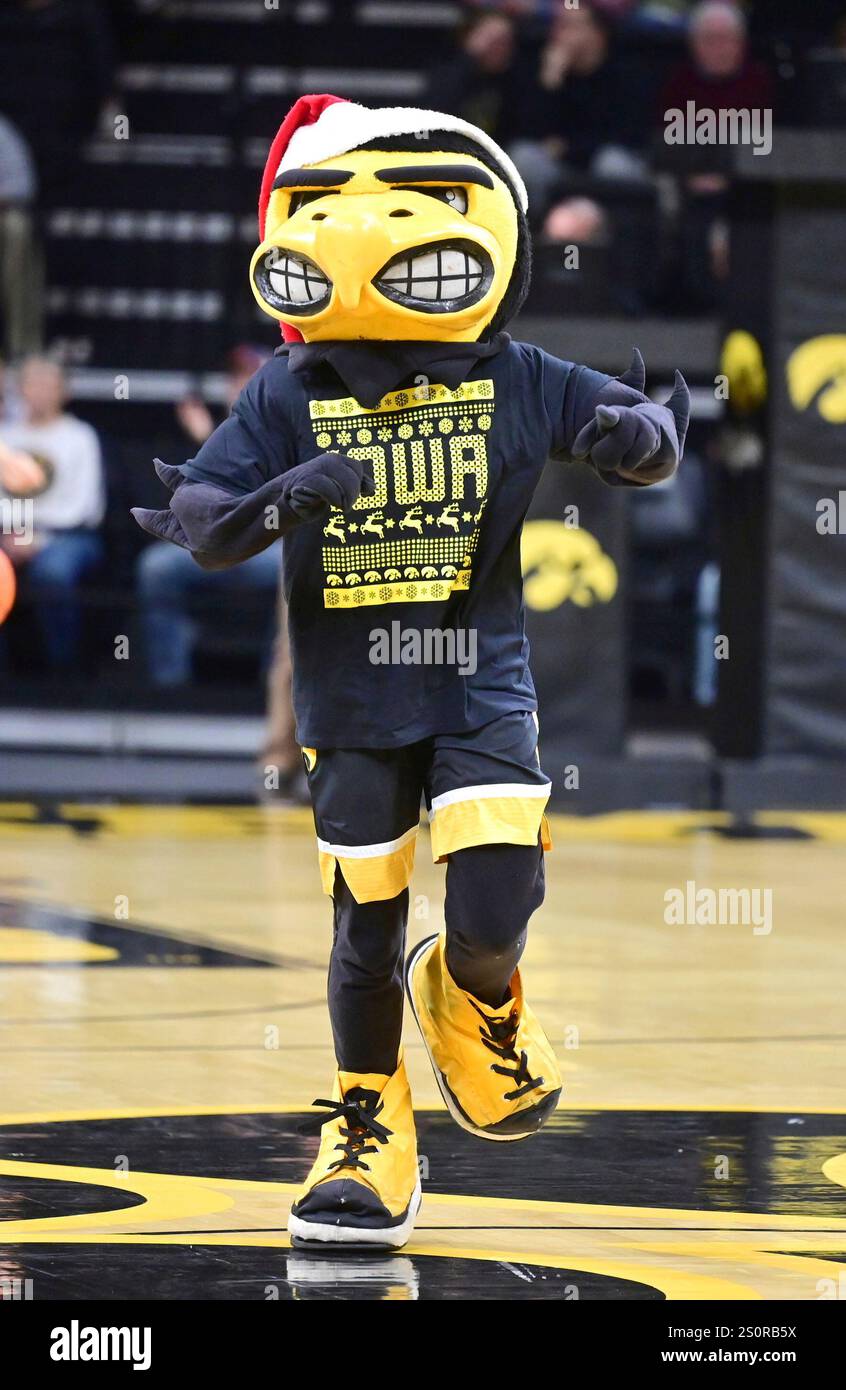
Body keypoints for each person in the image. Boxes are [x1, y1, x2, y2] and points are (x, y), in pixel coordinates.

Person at [133, 93, 689, 1251]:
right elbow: (195, 511)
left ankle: (475, 989)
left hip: (478, 673)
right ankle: (366, 1119)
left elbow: (627, 421)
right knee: (362, 924)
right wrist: (277, 498)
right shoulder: (290, 392)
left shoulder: (519, 371)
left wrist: (651, 436)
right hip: (351, 693)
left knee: (493, 902)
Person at [135, 346, 283, 693]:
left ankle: (272, 686)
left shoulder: (284, 434)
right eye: (236, 380)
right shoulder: (200, 435)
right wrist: (202, 440)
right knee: (155, 566)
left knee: (294, 570)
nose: (242, 387)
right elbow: (180, 505)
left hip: (266, 549)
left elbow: (260, 503)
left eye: (252, 379)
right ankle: (168, 684)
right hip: (208, 546)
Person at [0, 356, 104, 669]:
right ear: (19, 390)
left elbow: (82, 505)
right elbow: (9, 495)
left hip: (69, 537)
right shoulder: (7, 436)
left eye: (49, 383)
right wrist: (14, 533)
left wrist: (36, 539)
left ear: (64, 391)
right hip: (10, 535)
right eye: (33, 382)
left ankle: (63, 668)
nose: (41, 391)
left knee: (53, 573)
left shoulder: (80, 437)